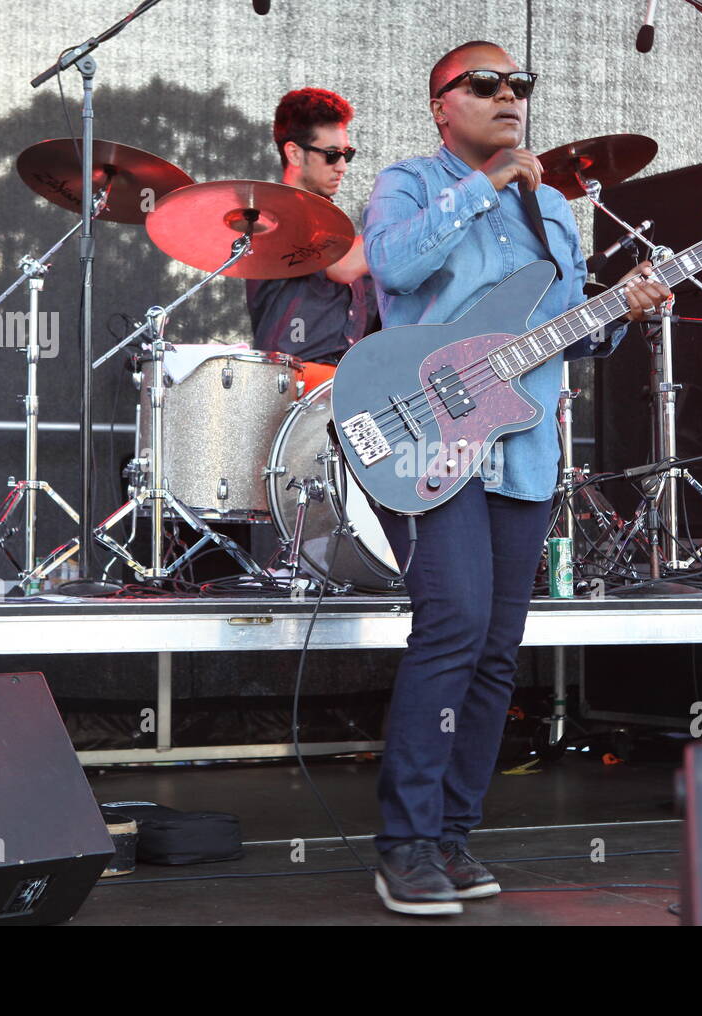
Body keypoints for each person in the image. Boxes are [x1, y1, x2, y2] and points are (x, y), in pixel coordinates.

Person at [361, 40, 671, 915]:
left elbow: (567, 330)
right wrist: (485, 187)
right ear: (442, 105)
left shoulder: (557, 213)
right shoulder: (411, 183)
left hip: (523, 450)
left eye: (519, 85)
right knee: (452, 623)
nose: (509, 96)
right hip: (425, 436)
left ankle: (452, 837)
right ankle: (404, 844)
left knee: (498, 651)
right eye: (486, 84)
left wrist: (620, 313)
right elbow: (393, 267)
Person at [245, 88, 380, 392]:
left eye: (347, 154)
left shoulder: (338, 227)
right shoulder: (273, 214)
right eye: (331, 155)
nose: (342, 166)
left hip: (345, 386)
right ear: (294, 153)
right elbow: (343, 266)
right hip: (292, 385)